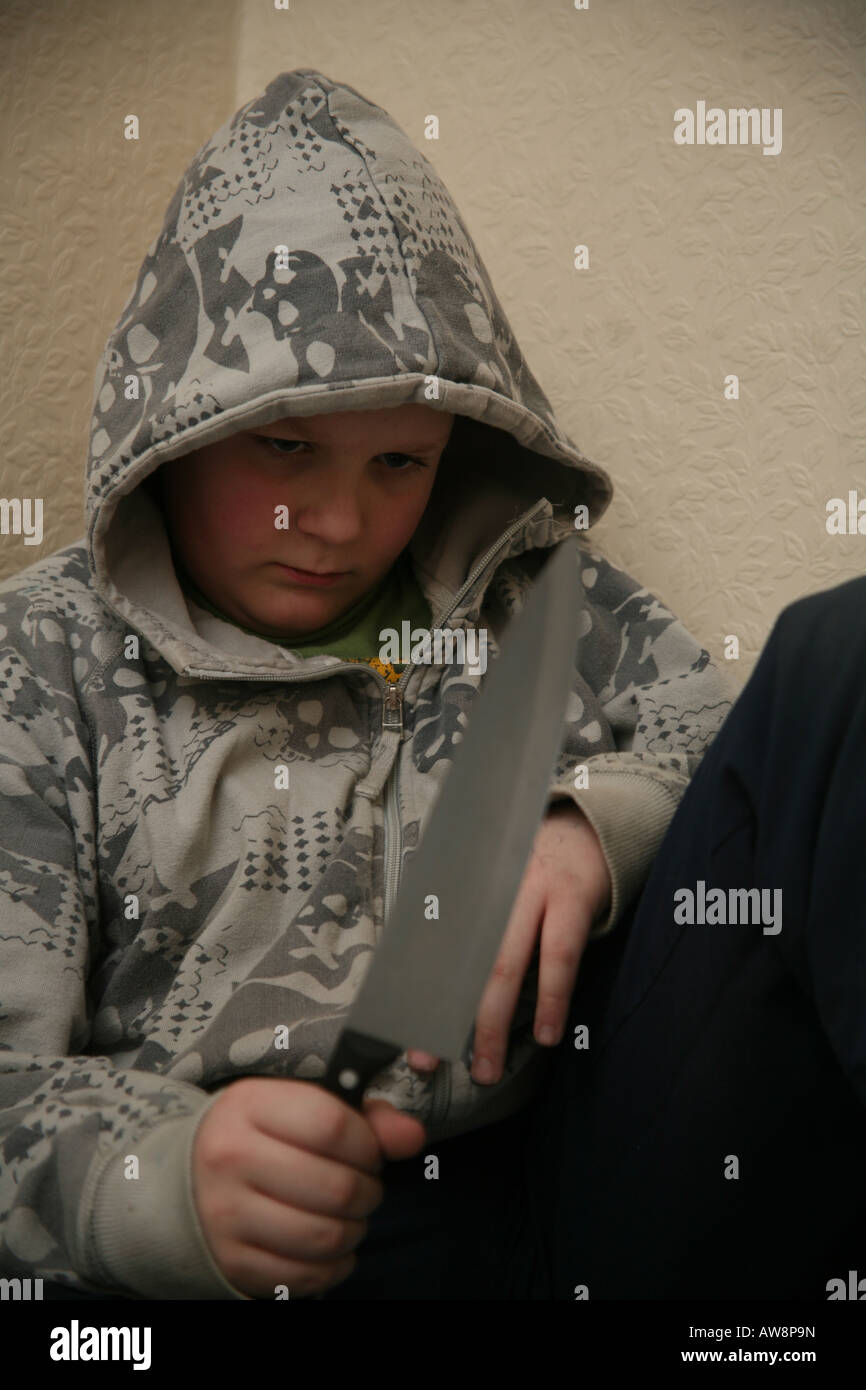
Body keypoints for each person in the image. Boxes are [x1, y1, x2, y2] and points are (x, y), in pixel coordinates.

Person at [0, 68, 734, 1301]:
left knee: (838, 664)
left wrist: (592, 826)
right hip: (206, 1249)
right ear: (174, 432)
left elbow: (721, 735)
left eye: (400, 461)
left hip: (547, 1177)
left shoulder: (533, 595)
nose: (338, 520)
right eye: (283, 447)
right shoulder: (43, 660)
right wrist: (161, 1186)